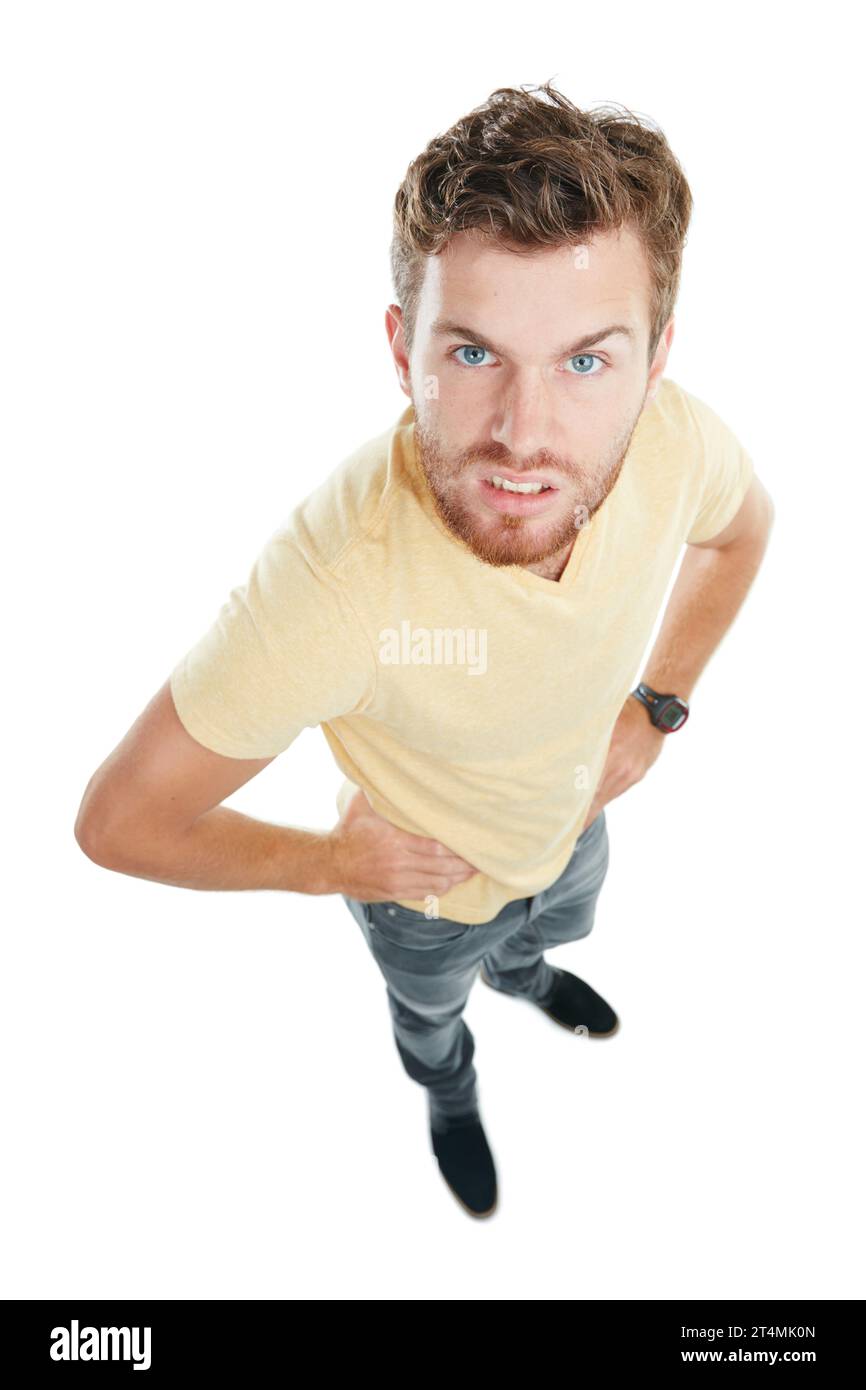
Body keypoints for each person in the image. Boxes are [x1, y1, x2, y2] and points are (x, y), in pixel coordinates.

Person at [75, 82, 774, 1220]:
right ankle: (448, 1086)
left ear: (654, 361)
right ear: (402, 346)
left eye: (586, 361)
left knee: (552, 926)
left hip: (571, 824)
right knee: (430, 1015)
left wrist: (656, 706)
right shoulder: (332, 584)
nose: (522, 433)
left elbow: (743, 532)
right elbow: (118, 821)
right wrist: (328, 865)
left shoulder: (676, 439)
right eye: (473, 352)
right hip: (423, 899)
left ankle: (529, 973)